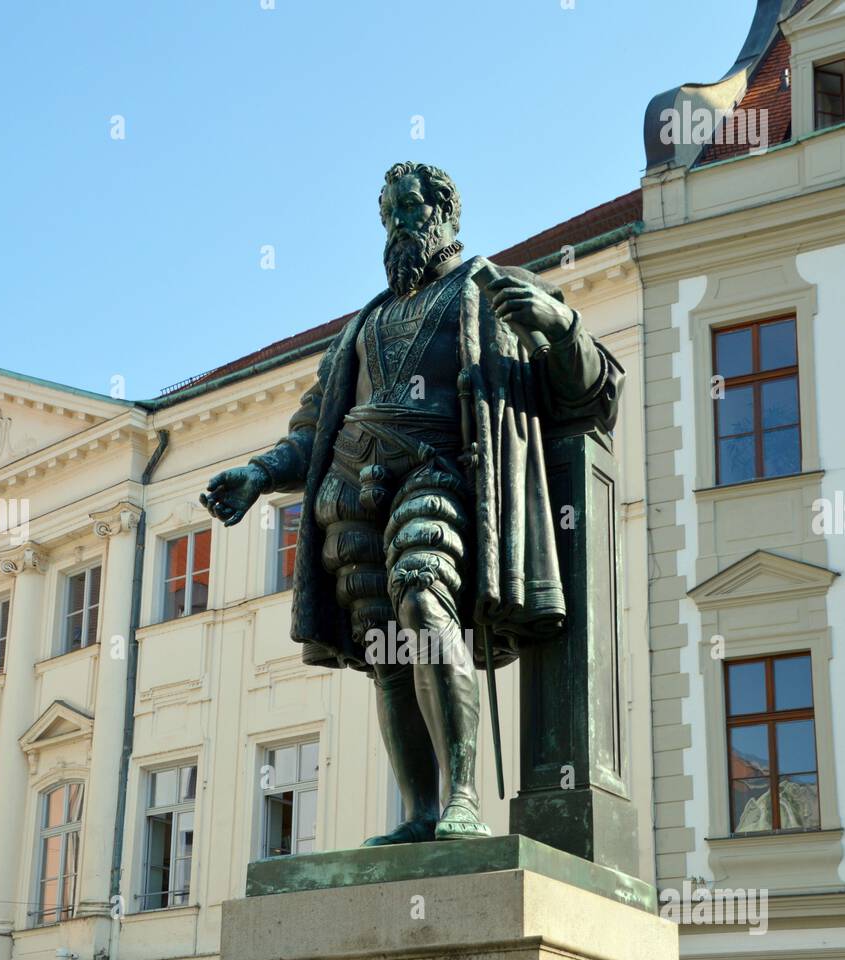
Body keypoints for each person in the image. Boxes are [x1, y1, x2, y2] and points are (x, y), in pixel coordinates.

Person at [200, 163, 622, 844]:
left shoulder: (488, 289)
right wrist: (258, 473)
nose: (398, 223)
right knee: (384, 650)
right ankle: (421, 810)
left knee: (424, 600)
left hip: (438, 469)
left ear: (445, 214)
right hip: (350, 487)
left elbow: (593, 393)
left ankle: (462, 798)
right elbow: (312, 430)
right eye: (388, 212)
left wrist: (562, 326)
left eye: (410, 209)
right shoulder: (362, 323)